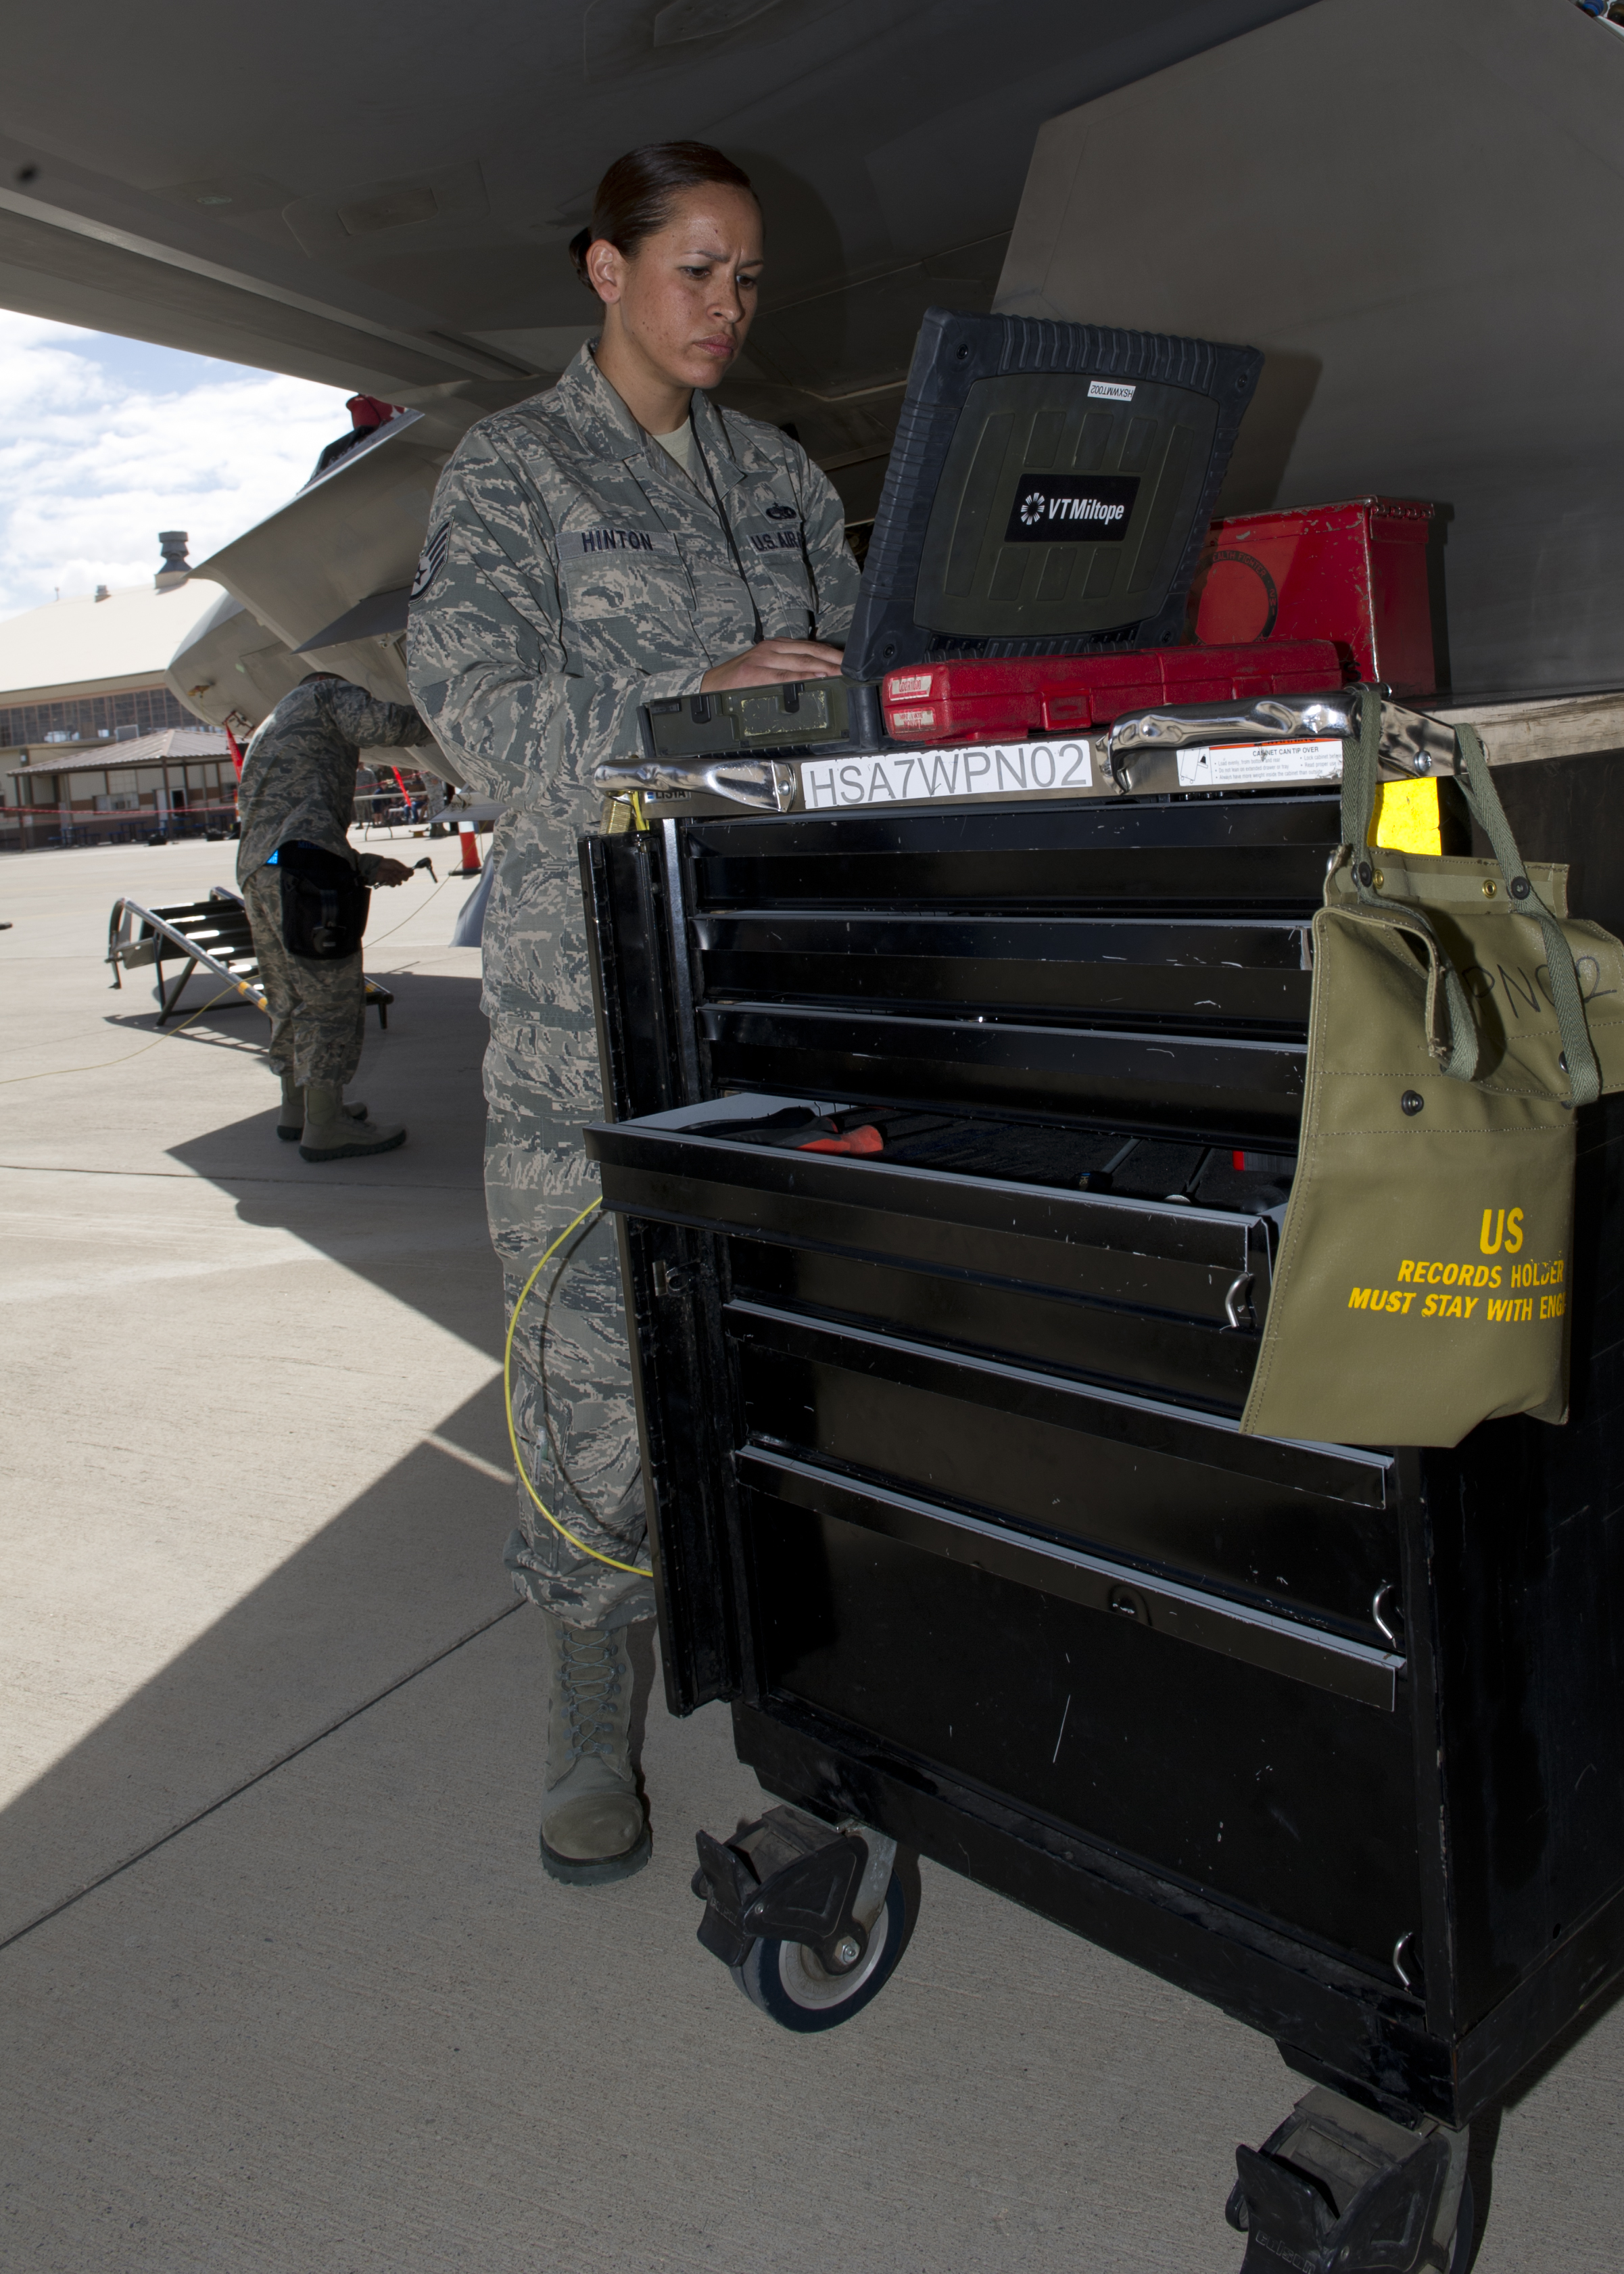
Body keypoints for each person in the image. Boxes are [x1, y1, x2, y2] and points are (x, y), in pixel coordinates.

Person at [406, 141, 859, 1885]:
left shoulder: (781, 480)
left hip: (760, 985)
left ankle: (812, 1656)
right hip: (587, 995)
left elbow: (838, 711)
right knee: (584, 1354)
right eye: (696, 270)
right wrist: (688, 687)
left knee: (781, 1341)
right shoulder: (513, 473)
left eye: (748, 278)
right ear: (607, 270)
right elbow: (488, 722)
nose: (726, 308)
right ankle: (590, 1702)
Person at [237, 671, 434, 1161]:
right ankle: (325, 1127)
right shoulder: (325, 694)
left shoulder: (271, 725)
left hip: (261, 870)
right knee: (330, 1001)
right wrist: (447, 711)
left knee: (288, 995)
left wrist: (366, 866)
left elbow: (289, 827)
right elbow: (386, 724)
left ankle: (298, 1107)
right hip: (302, 867)